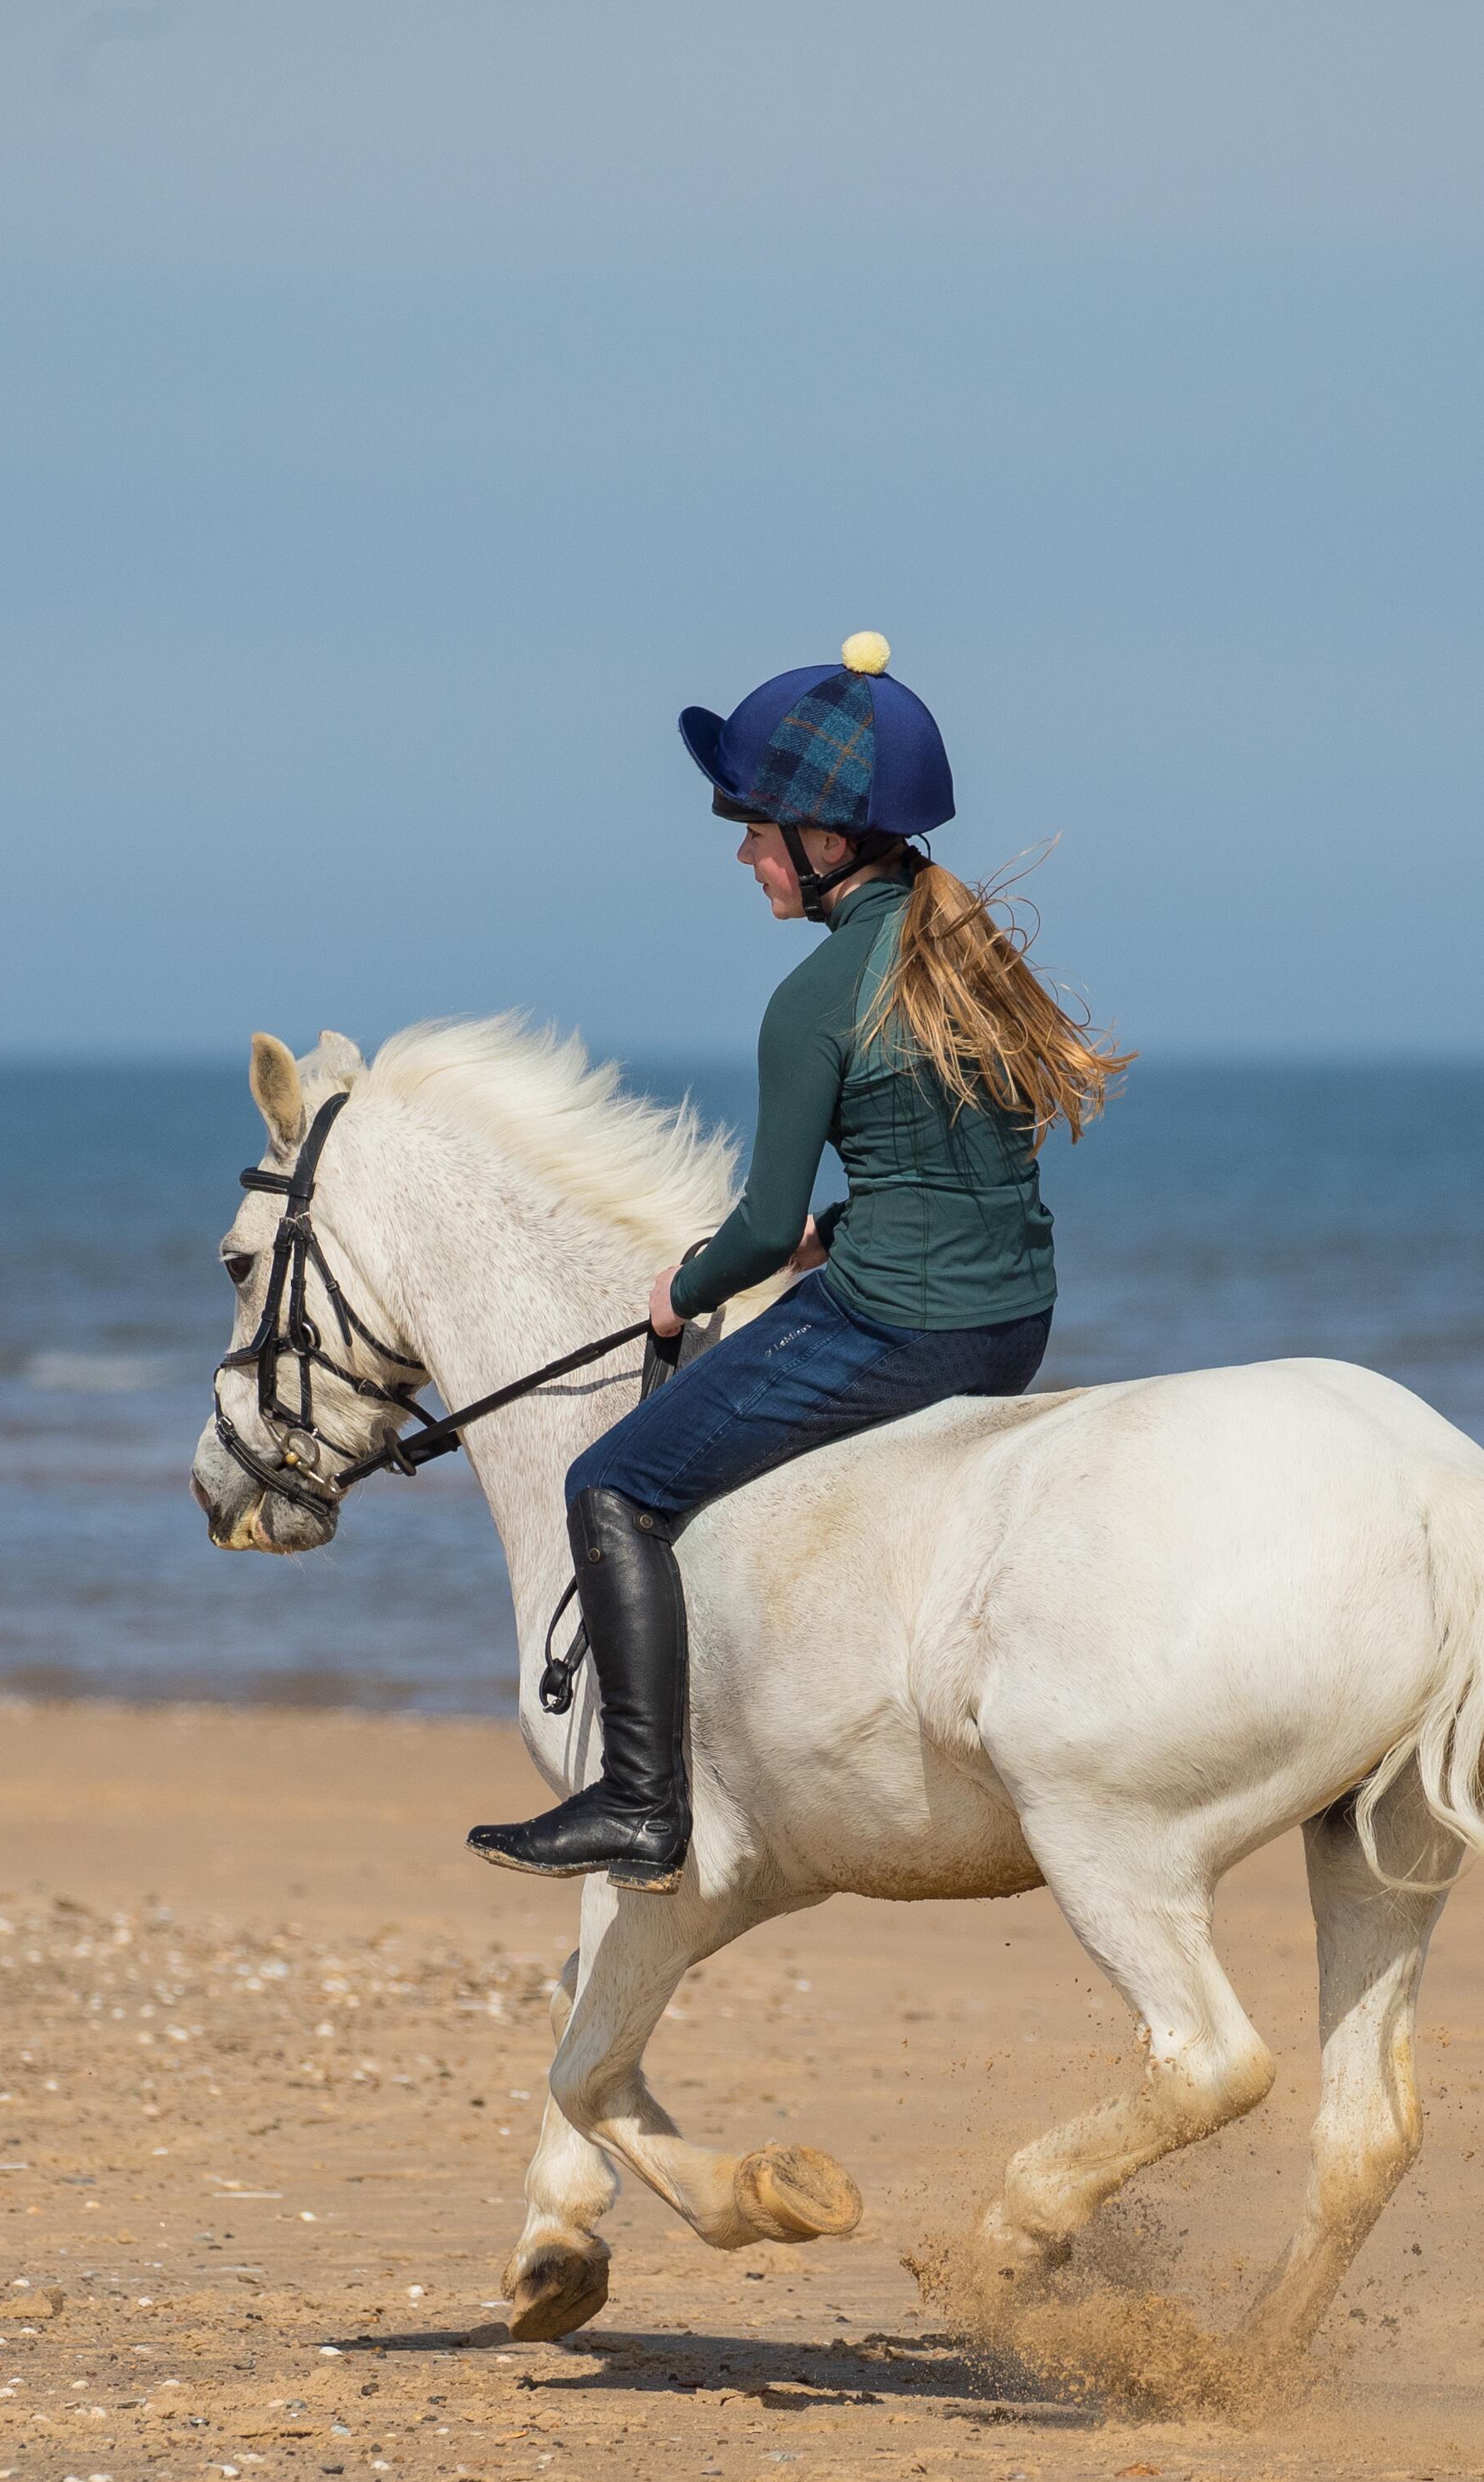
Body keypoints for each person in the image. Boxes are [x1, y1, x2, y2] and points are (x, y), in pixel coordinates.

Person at [471, 634, 1129, 1890]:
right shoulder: (969, 956)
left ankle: (642, 1806)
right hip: (1015, 1320)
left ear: (830, 841)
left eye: (757, 826)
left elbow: (763, 1231)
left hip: (902, 1327)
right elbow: (945, 1161)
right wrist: (851, 1223)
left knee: (612, 1482)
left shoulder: (816, 995)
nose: (742, 851)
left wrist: (682, 1290)